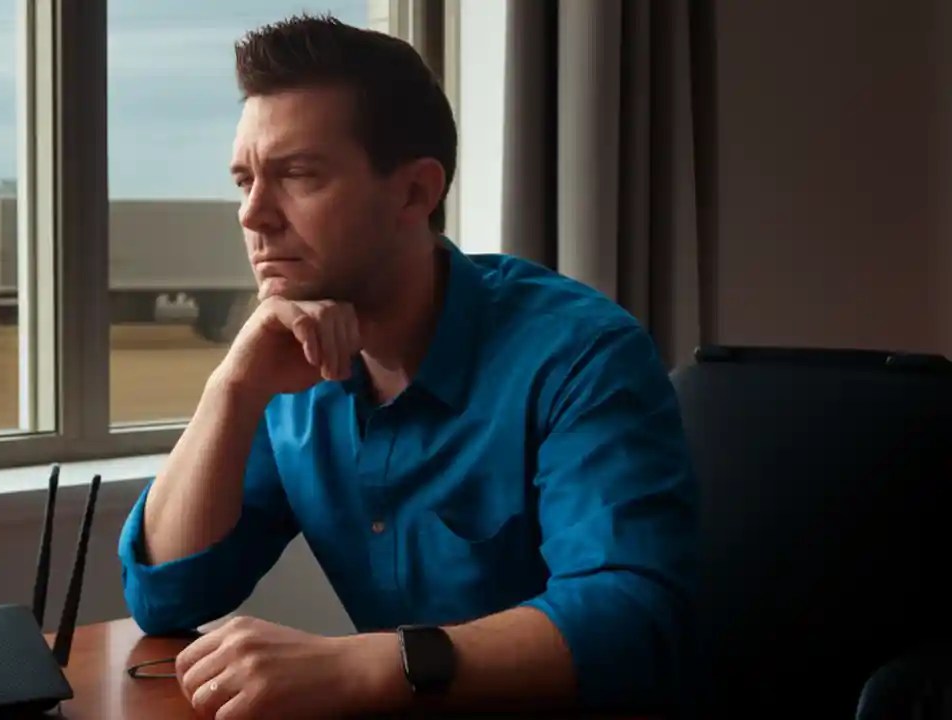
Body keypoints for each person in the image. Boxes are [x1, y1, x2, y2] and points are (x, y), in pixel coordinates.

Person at [118, 12, 698, 719]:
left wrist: (365, 666)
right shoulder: (290, 371)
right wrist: (231, 388)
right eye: (244, 181)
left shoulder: (580, 355)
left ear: (416, 193)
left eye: (297, 174)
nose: (254, 215)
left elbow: (633, 618)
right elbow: (169, 594)